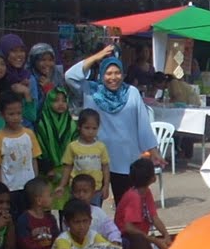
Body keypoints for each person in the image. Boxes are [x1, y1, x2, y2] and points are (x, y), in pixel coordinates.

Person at [65, 49, 162, 203]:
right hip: (94, 159)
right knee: (91, 208)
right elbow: (70, 76)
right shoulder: (91, 90)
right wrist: (97, 56)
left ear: (123, 74)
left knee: (125, 206)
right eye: (108, 73)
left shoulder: (132, 93)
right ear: (101, 75)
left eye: (117, 73)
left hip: (125, 158)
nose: (113, 78)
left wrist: (153, 151)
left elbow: (143, 124)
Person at [115, 158, 172, 249]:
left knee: (152, 242)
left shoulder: (146, 192)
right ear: (153, 178)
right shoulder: (134, 197)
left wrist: (166, 235)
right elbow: (129, 227)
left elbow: (154, 217)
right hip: (125, 238)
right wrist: (154, 240)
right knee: (140, 240)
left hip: (140, 234)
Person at [0, 91, 39, 193]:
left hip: (29, 187)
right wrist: (1, 189)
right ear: (1, 114)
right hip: (9, 188)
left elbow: (33, 159)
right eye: (11, 114)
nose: (15, 118)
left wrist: (35, 182)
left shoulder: (29, 134)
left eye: (18, 113)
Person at [59, 109, 110, 200]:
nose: (90, 132)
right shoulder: (72, 146)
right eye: (87, 128)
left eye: (94, 128)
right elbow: (67, 167)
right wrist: (62, 185)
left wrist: (106, 186)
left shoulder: (101, 147)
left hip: (96, 190)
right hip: (77, 190)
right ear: (79, 127)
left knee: (94, 213)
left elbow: (105, 167)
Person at [33, 85, 77, 184]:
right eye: (56, 100)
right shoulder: (42, 124)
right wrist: (48, 168)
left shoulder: (72, 124)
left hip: (70, 171)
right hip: (48, 172)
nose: (60, 104)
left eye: (64, 100)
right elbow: (40, 149)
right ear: (48, 102)